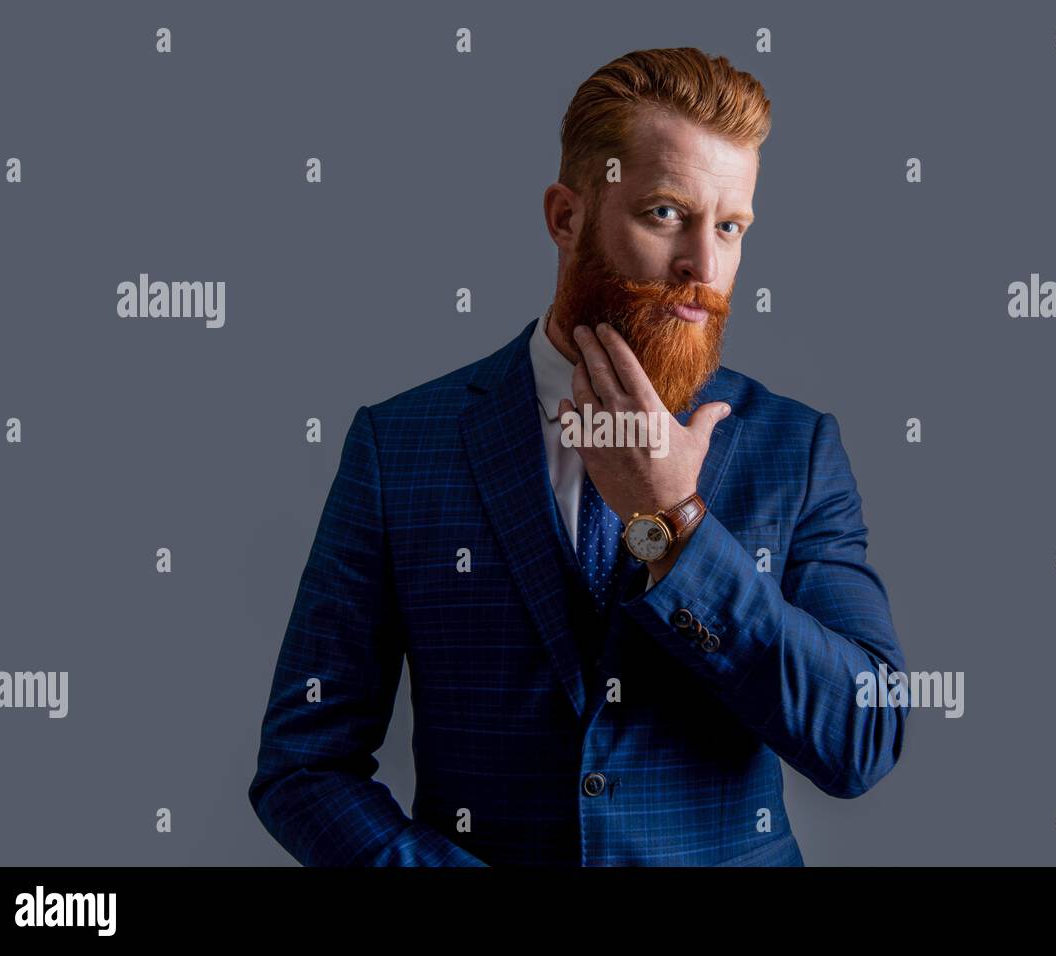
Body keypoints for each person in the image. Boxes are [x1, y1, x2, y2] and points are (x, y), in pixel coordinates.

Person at [249, 47, 907, 866]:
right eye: (666, 214)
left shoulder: (794, 447)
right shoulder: (400, 445)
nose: (704, 268)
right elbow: (303, 765)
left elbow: (865, 735)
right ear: (566, 217)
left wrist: (675, 525)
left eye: (730, 227)